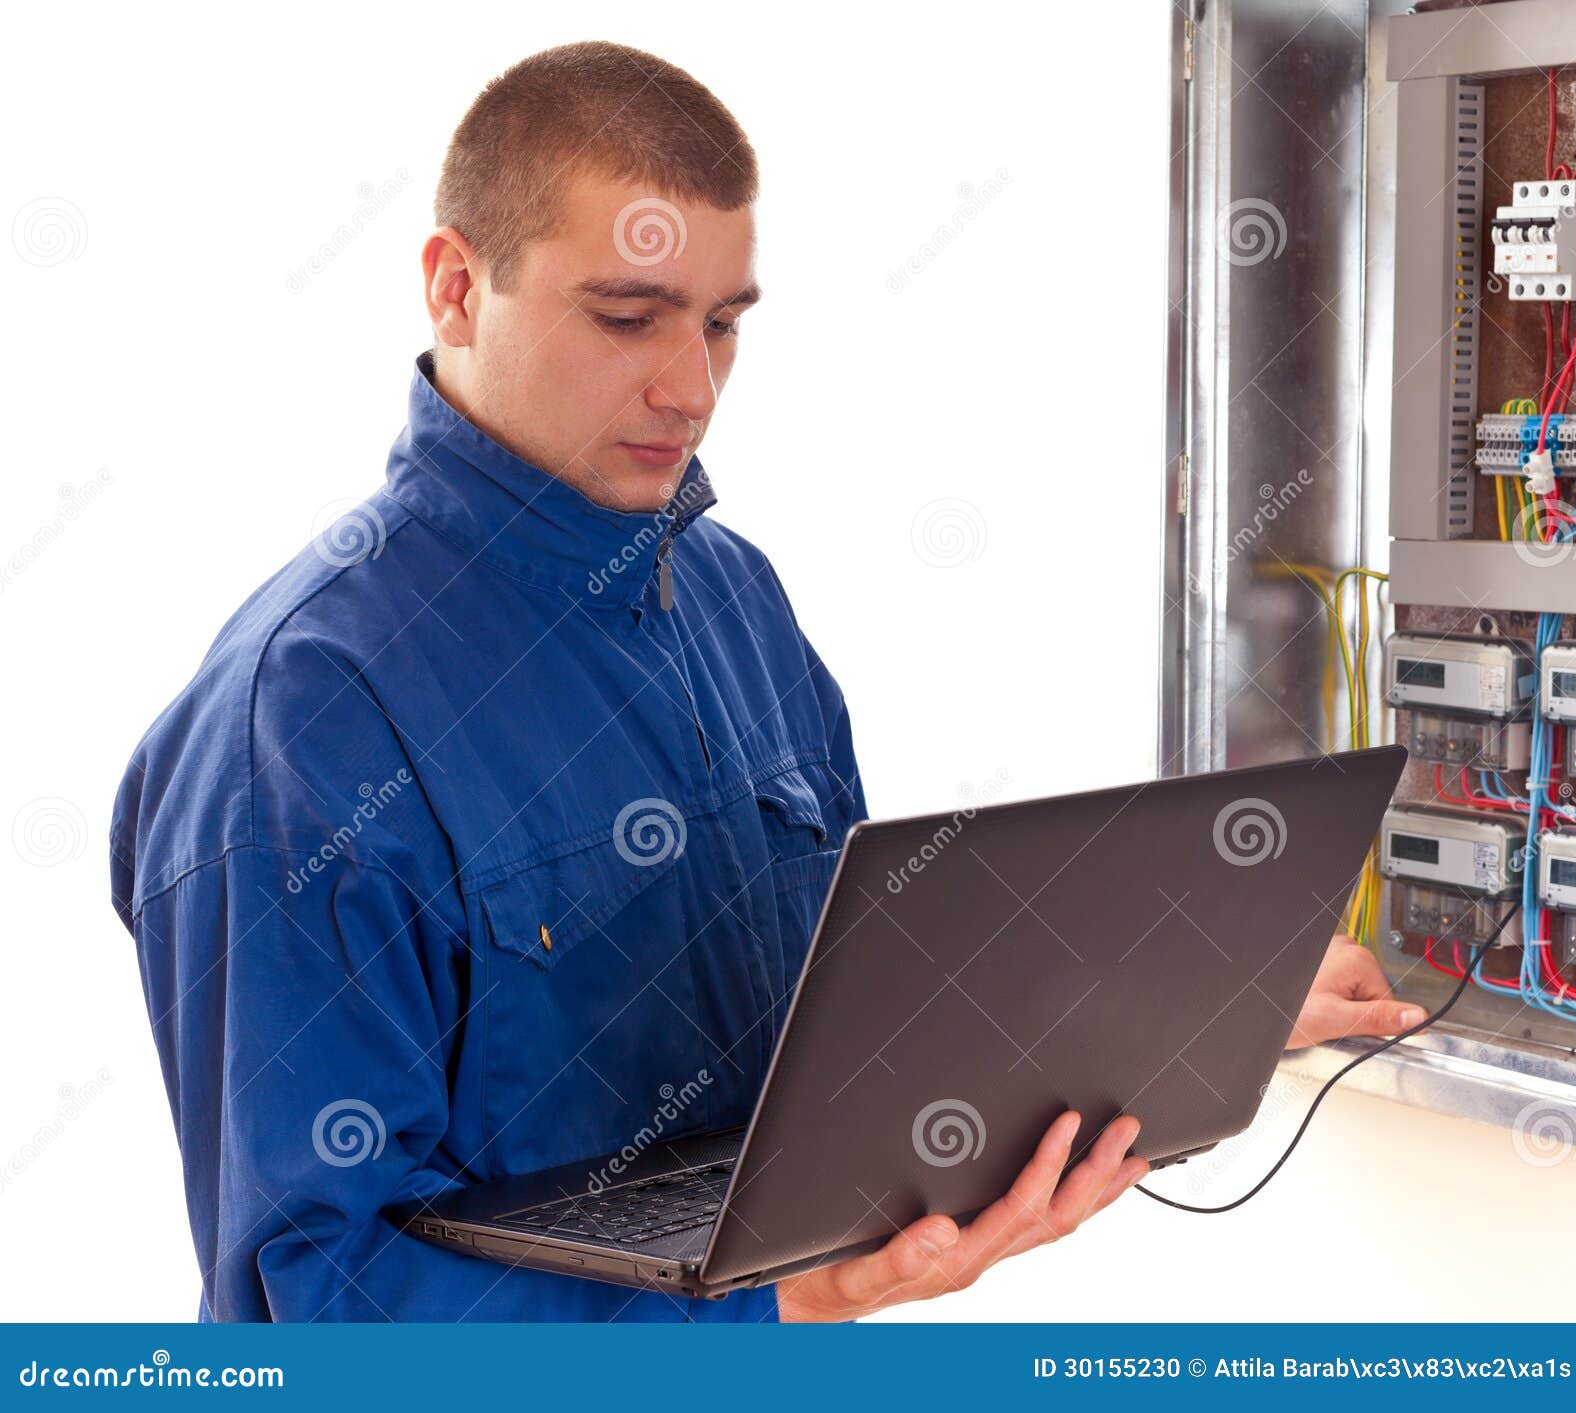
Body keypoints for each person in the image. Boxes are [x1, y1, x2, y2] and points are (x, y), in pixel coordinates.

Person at [109, 40, 1424, 1324]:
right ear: (456, 288)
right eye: (627, 318)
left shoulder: (735, 600)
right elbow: (312, 1303)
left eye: (722, 324)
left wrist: (1179, 1010)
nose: (690, 388)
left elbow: (852, 1039)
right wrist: (779, 1309)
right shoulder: (301, 720)